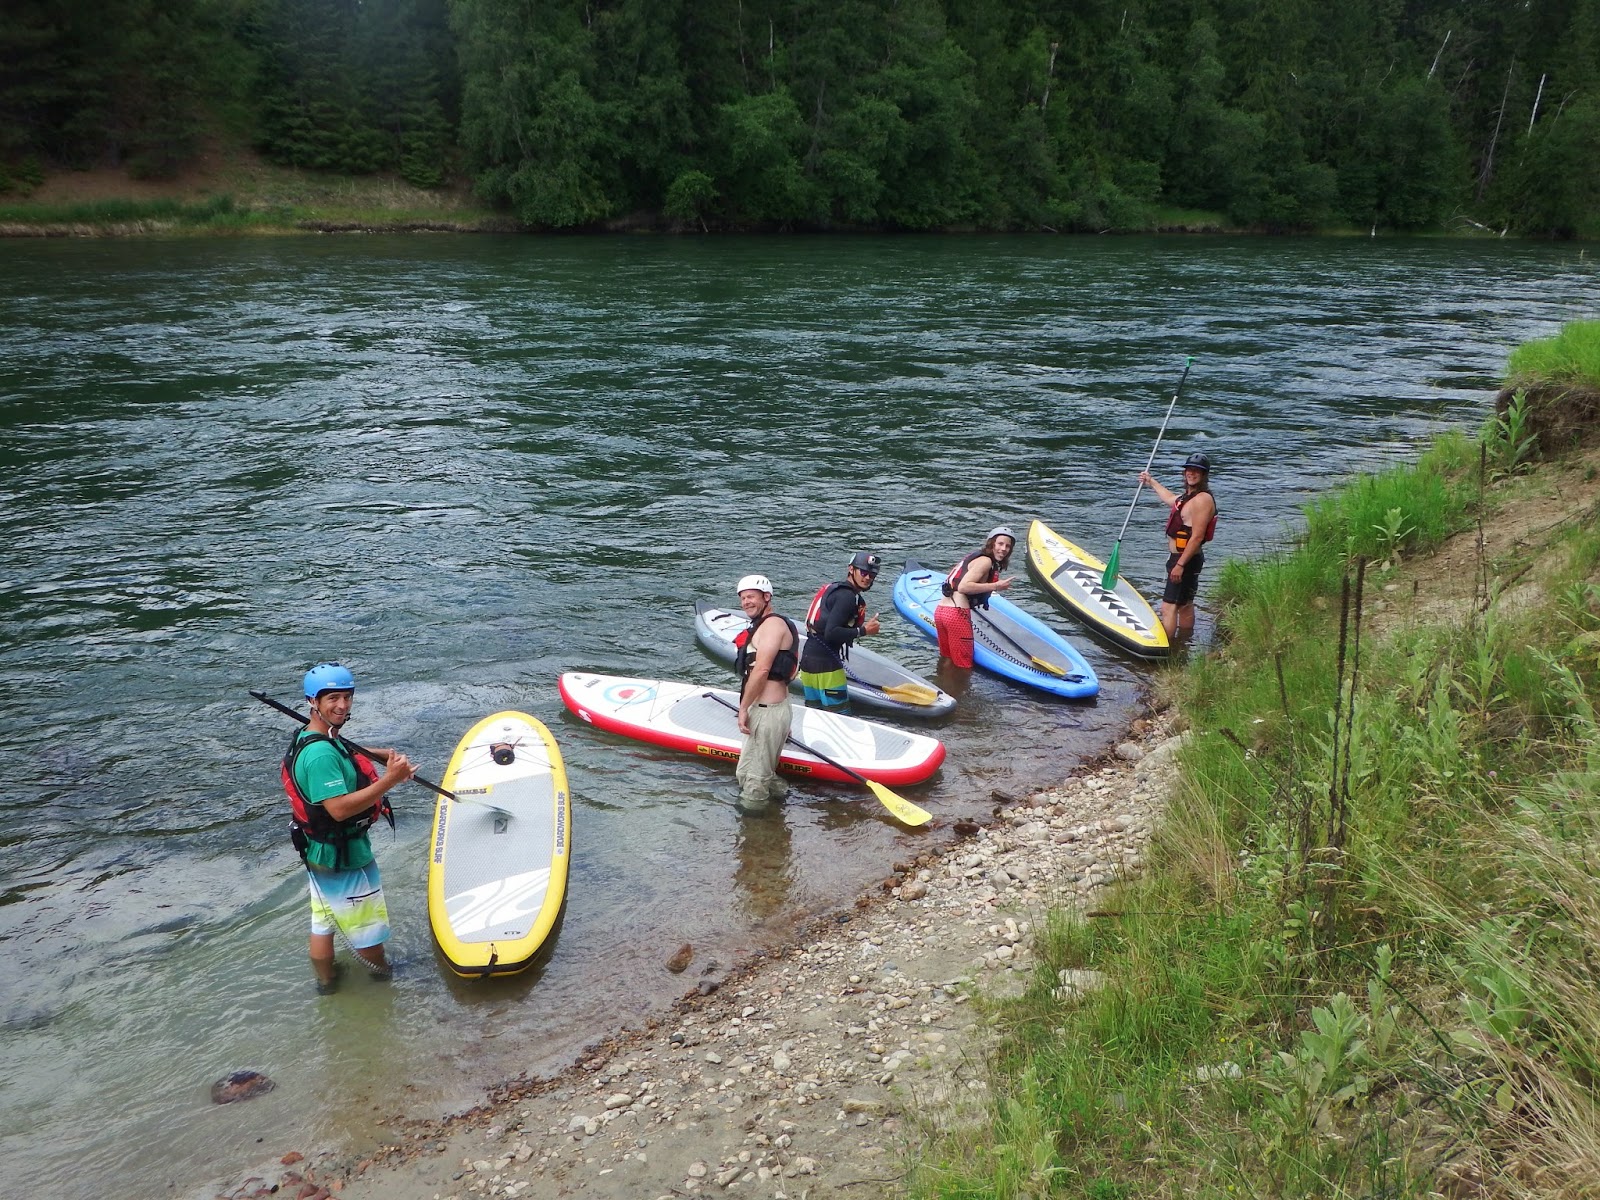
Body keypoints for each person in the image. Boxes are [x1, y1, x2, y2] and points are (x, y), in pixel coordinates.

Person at [281, 662, 414, 994]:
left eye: (347, 697)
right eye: (333, 699)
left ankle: (327, 986)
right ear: (313, 701)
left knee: (324, 920)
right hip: (344, 855)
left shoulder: (313, 736)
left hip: (319, 852)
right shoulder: (319, 756)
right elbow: (338, 810)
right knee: (366, 929)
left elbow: (344, 751)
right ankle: (383, 980)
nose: (342, 705)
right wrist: (389, 781)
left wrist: (383, 756)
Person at [732, 575, 799, 813]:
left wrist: (742, 709)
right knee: (751, 772)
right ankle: (784, 808)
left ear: (767, 597)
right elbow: (784, 673)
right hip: (772, 710)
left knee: (753, 780)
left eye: (751, 596)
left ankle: (755, 838)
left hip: (767, 712)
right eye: (742, 598)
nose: (745, 602)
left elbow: (762, 670)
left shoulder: (772, 625)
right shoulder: (766, 625)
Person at [1140, 451, 1218, 638]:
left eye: (1196, 471)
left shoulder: (1203, 500)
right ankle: (1183, 644)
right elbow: (1169, 499)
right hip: (1186, 559)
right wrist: (1151, 482)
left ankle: (1166, 650)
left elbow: (1197, 536)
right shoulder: (1187, 498)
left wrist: (1180, 565)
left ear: (1204, 475)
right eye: (1189, 470)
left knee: (1168, 608)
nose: (1191, 473)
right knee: (1184, 605)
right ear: (1184, 473)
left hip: (1184, 560)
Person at [798, 551, 883, 712]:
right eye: (863, 572)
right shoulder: (847, 597)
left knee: (815, 715)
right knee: (840, 719)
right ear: (851, 569)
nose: (867, 578)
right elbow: (832, 633)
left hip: (808, 662)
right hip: (827, 666)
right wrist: (864, 630)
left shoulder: (834, 589)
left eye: (872, 575)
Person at [934, 526, 1016, 668]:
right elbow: (964, 586)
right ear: (992, 544)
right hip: (956, 614)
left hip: (941, 611)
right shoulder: (986, 561)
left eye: (1008, 546)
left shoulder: (976, 557)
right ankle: (961, 690)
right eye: (1000, 544)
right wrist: (996, 586)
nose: (1003, 549)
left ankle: (942, 686)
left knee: (947, 659)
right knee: (963, 665)